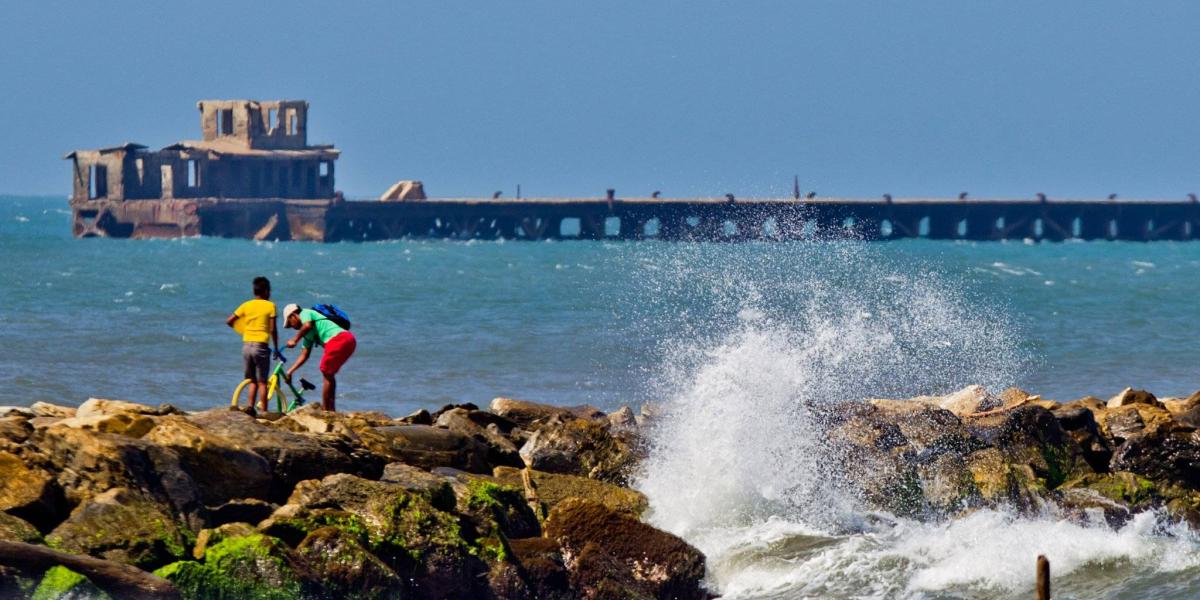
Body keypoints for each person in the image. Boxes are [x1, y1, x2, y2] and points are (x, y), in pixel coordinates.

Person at [282, 303, 356, 411]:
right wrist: (290, 371)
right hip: (349, 341)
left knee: (325, 369)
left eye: (290, 323)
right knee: (328, 373)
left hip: (340, 339)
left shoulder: (305, 313)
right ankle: (331, 409)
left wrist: (294, 339)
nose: (292, 327)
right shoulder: (307, 335)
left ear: (293, 315)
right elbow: (304, 355)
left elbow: (307, 325)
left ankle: (326, 410)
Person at [226, 277, 279, 412]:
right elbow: (273, 329)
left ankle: (250, 407)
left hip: (246, 346)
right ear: (266, 291)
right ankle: (264, 412)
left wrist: (242, 330)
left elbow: (229, 320)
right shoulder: (270, 306)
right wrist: (276, 349)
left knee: (251, 380)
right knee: (262, 382)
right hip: (260, 346)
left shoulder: (246, 305)